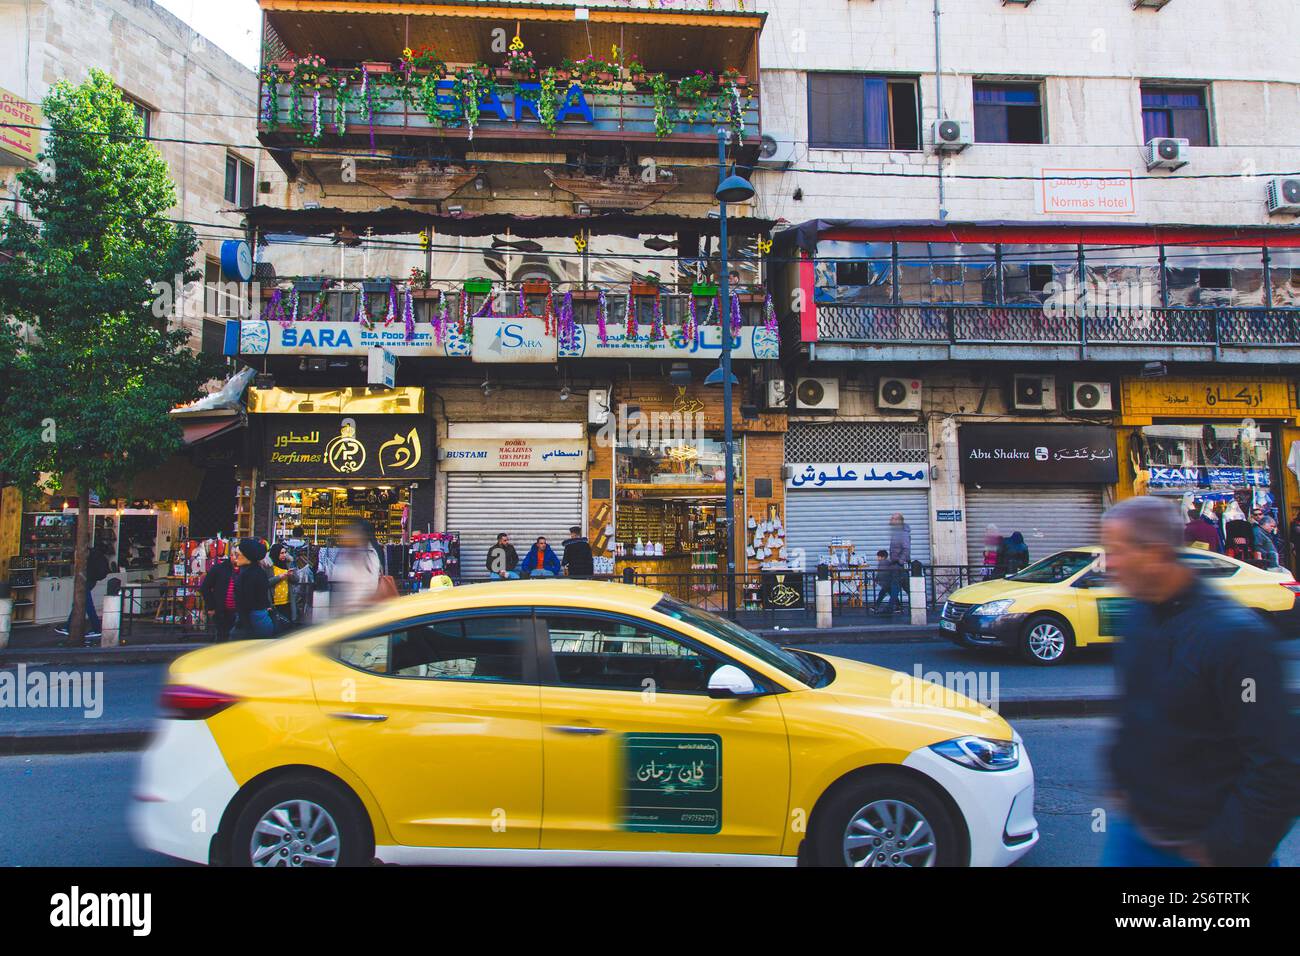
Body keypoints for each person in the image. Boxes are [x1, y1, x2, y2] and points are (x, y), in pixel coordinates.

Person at [1100, 496, 1300, 867]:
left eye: (1117, 551)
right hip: (1137, 835)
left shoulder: (1234, 638)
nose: (1108, 564)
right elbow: (1135, 710)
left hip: (1204, 850)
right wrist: (1122, 777)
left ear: (1155, 552)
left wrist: (1225, 849)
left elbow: (1277, 762)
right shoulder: (1140, 616)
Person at [56, 542, 111, 645]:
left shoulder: (86, 553)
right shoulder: (95, 554)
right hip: (90, 580)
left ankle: (96, 628)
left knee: (84, 604)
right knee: (82, 603)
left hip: (85, 580)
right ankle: (69, 626)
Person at [332, 519, 382, 614]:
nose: (346, 536)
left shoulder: (369, 555)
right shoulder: (346, 554)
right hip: (347, 612)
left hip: (359, 613)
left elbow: (368, 586)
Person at [231, 538, 274, 639]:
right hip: (258, 619)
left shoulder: (249, 575)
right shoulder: (256, 571)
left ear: (247, 556)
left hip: (253, 621)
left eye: (237, 555)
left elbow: (245, 603)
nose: (235, 558)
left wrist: (244, 626)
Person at [873, 514, 910, 614]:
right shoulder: (897, 533)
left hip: (898, 566)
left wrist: (899, 561)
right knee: (903, 588)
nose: (891, 520)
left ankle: (890, 609)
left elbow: (906, 549)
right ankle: (894, 607)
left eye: (893, 519)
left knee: (895, 588)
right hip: (896, 566)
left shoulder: (903, 534)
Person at [199, 553, 237, 642]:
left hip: (240, 611)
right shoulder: (219, 569)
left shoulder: (245, 569)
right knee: (222, 637)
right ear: (230, 556)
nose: (237, 557)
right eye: (234, 554)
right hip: (222, 611)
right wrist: (211, 606)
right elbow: (205, 588)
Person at [267, 542, 295, 630]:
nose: (284, 555)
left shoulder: (288, 565)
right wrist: (279, 577)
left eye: (285, 552)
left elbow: (296, 580)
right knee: (277, 627)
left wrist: (291, 575)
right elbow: (266, 583)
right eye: (281, 553)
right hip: (274, 603)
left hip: (287, 602)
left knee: (287, 626)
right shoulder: (269, 567)